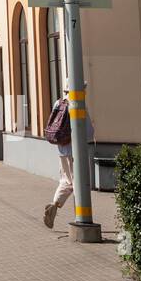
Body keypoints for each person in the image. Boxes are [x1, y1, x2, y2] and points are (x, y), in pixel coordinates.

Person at [43, 89, 95, 229]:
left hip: (61, 149)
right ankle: (81, 217)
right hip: (75, 151)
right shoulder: (78, 104)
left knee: (66, 180)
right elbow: (89, 131)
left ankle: (54, 205)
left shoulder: (58, 102)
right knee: (79, 183)